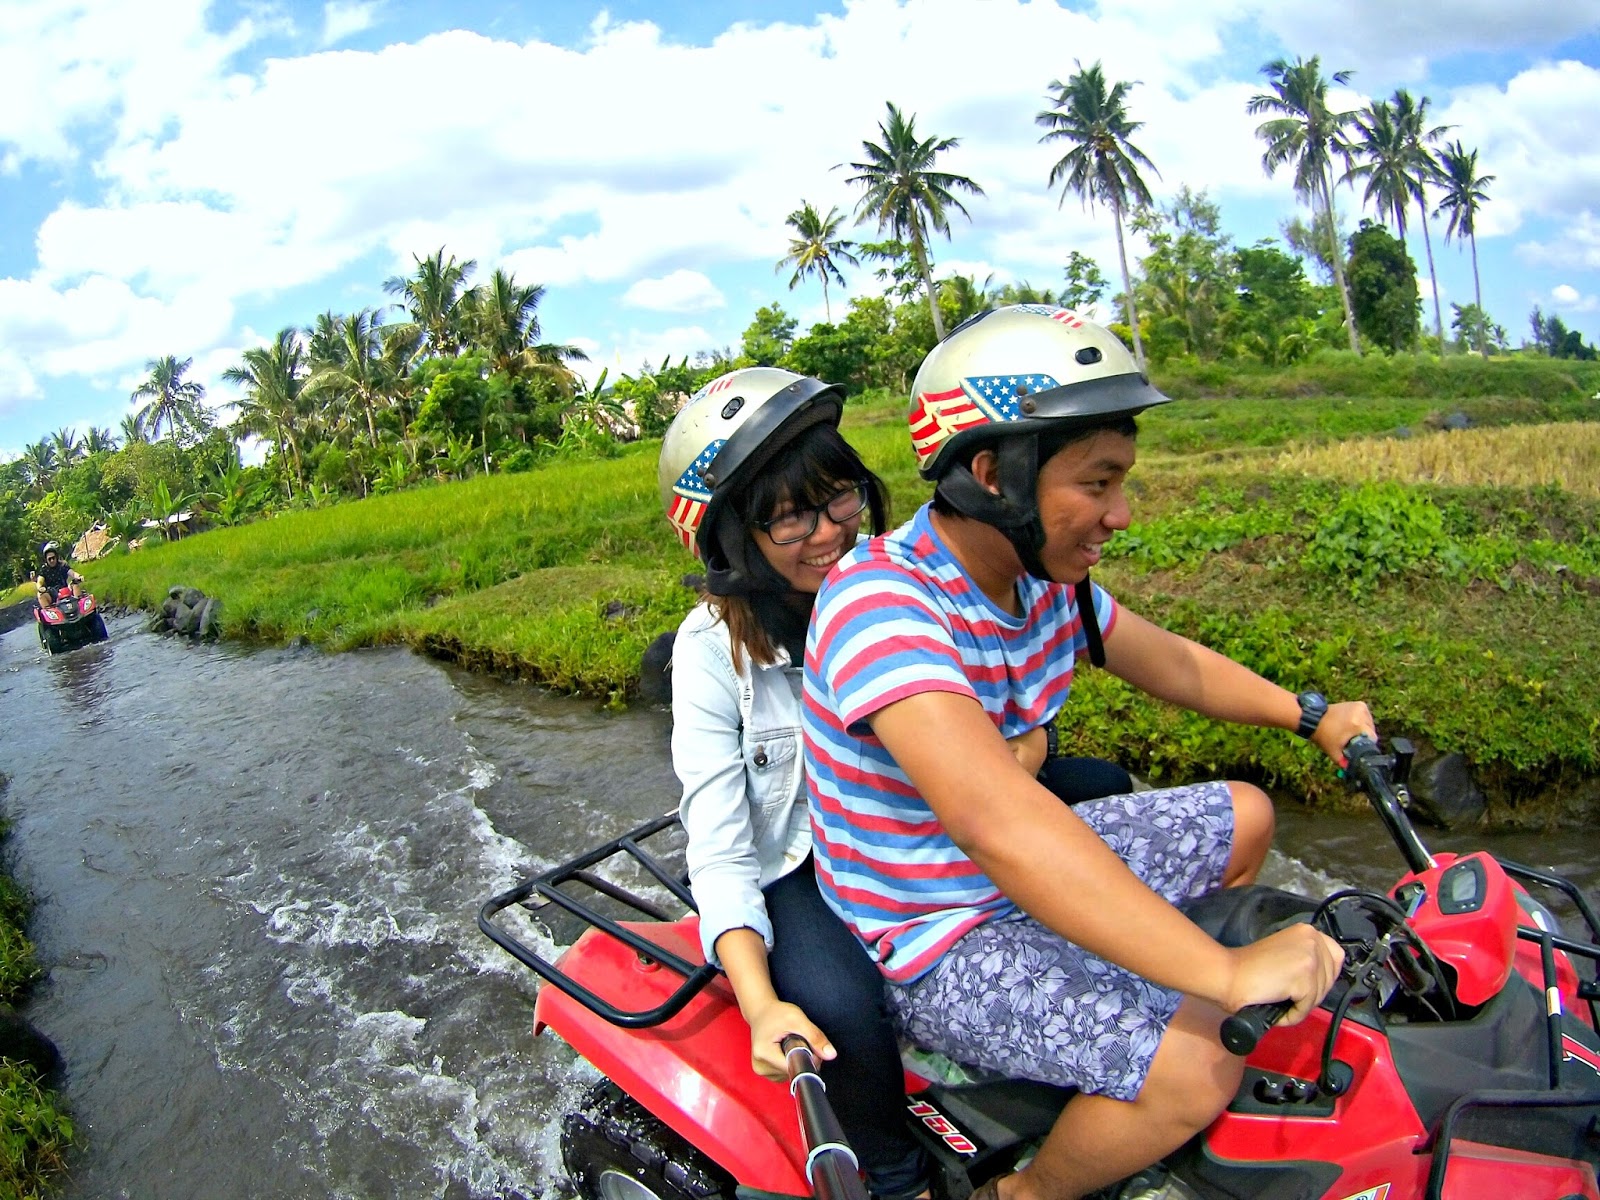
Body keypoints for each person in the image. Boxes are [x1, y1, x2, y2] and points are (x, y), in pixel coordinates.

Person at [803, 306, 1373, 1200]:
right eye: (1098, 483)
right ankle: (1023, 1191)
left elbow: (1172, 662)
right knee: (1199, 1063)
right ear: (994, 475)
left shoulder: (1042, 582)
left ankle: (1124, 1016)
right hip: (941, 932)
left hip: (1012, 872)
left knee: (1247, 815)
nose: (1121, 514)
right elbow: (999, 824)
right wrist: (1222, 975)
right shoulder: (883, 604)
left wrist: (1311, 716)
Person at [659, 366, 930, 1200]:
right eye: (786, 516)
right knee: (843, 1014)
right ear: (736, 540)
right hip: (803, 857)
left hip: (910, 817)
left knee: (1097, 787)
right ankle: (896, 1175)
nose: (828, 533)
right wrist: (759, 1002)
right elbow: (722, 842)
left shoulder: (894, 580)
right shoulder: (711, 650)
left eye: (839, 495)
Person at [35, 543, 83, 608]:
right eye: (49, 559)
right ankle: (50, 614)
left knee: (75, 585)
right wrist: (40, 588)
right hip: (52, 594)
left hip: (65, 590)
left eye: (53, 558)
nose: (52, 560)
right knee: (40, 595)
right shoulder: (44, 569)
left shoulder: (62, 565)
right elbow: (40, 581)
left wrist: (79, 576)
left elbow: (72, 573)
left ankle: (80, 607)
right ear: (46, 560)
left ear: (56, 557)